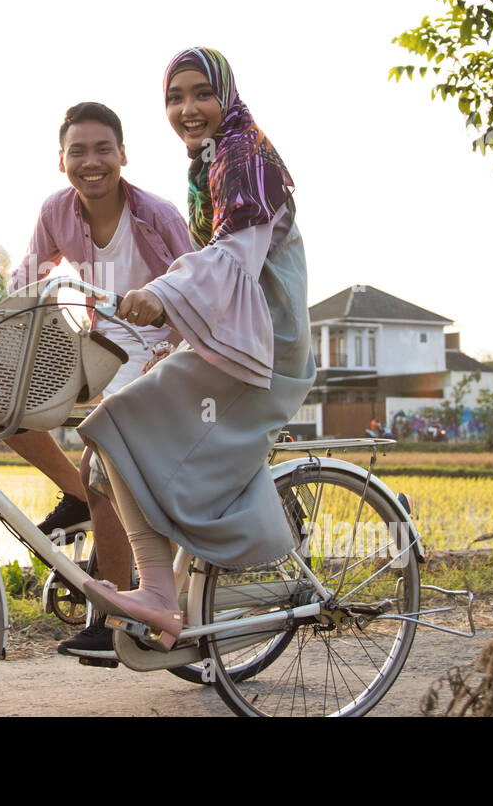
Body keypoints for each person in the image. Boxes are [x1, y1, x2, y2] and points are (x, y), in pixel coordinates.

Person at [76, 47, 318, 649]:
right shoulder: (210, 163)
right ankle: (168, 591)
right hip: (234, 345)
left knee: (118, 420)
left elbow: (232, 261)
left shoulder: (246, 158)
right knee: (118, 439)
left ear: (226, 95)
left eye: (199, 94)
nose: (188, 109)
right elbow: (220, 285)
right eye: (174, 98)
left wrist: (162, 294)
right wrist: (178, 338)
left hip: (265, 350)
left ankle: (160, 592)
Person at [3, 100, 194, 659]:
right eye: (78, 151)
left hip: (162, 348)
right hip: (100, 347)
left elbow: (200, 288)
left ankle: (114, 620)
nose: (92, 162)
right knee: (9, 411)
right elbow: (28, 276)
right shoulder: (56, 211)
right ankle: (80, 497)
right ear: (61, 160)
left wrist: (170, 352)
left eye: (102, 149)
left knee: (103, 452)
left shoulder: (157, 216)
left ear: (123, 155)